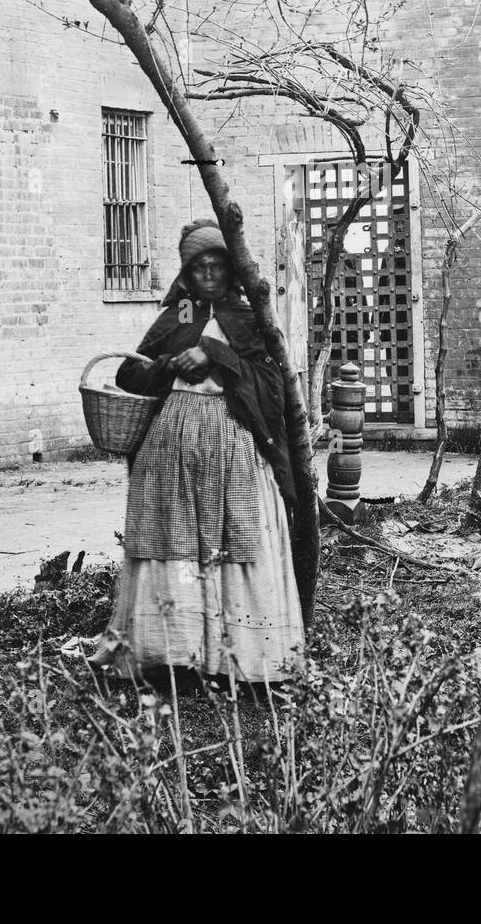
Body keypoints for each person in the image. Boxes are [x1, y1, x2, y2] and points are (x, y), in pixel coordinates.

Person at [88, 219, 304, 685]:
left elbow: (272, 385)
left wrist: (215, 354)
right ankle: (171, 654)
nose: (208, 274)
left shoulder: (249, 316)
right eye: (198, 266)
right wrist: (171, 363)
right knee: (172, 541)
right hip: (171, 448)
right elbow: (132, 375)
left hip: (233, 444)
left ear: (230, 271)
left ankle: (240, 660)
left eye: (216, 265)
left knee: (236, 540)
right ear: (186, 274)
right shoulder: (179, 315)